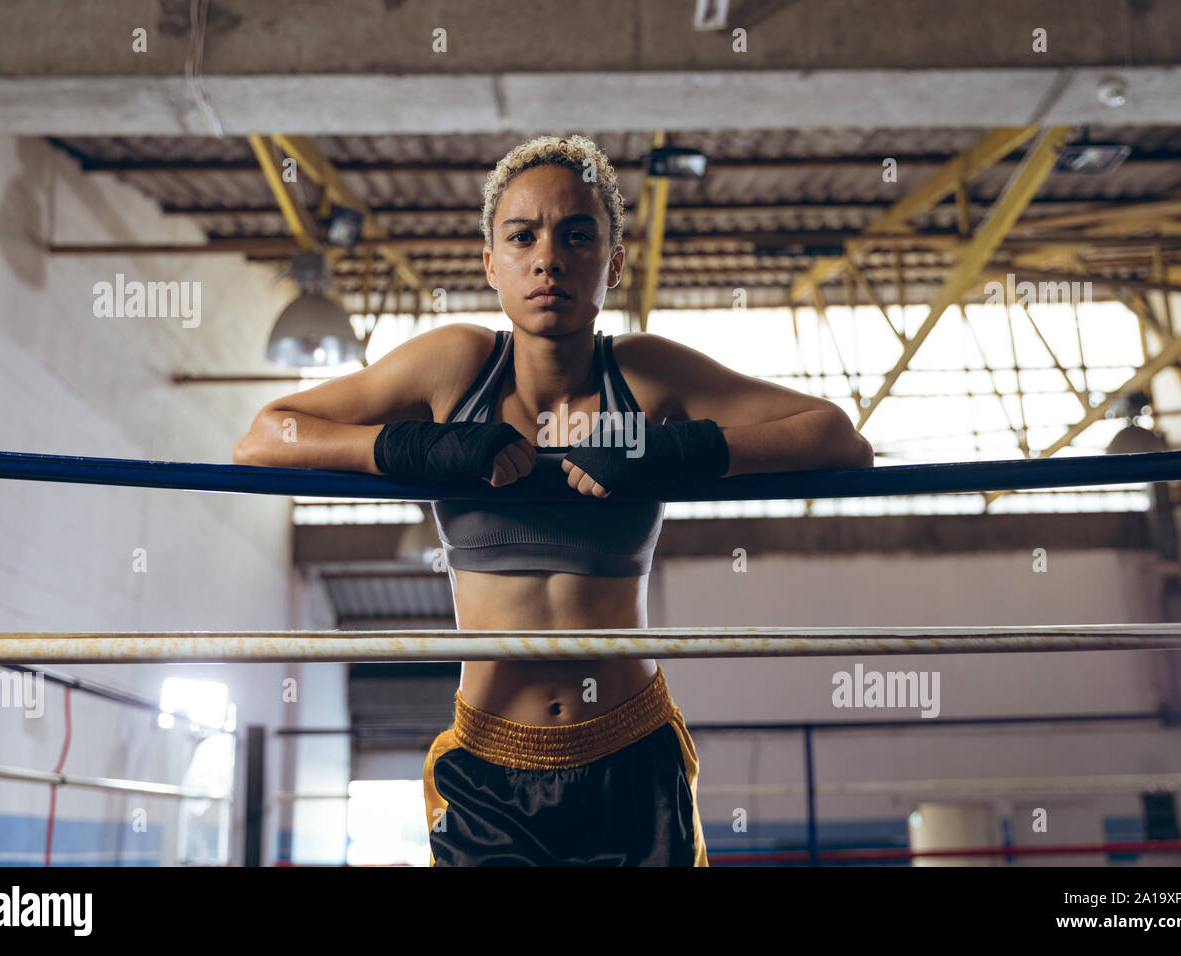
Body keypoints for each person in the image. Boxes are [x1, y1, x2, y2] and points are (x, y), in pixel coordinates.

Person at [233, 134, 874, 866]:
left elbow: (836, 436)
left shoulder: (643, 373)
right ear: (491, 264)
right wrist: (414, 450)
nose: (549, 258)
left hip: (631, 750)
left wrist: (669, 450)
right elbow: (264, 436)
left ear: (614, 262)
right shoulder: (456, 366)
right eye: (523, 236)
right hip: (488, 770)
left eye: (577, 235)